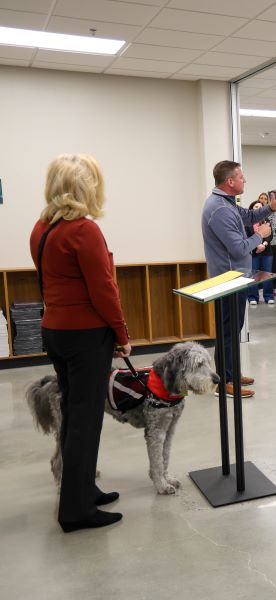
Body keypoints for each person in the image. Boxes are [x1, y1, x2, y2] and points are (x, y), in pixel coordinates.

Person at [30, 154, 131, 532]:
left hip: (55, 330)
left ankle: (83, 489)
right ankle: (76, 510)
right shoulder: (83, 230)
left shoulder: (41, 228)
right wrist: (121, 334)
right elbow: (103, 290)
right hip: (85, 334)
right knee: (85, 421)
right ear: (87, 186)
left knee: (74, 416)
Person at [201, 161, 276, 398]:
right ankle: (224, 382)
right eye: (241, 177)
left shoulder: (227, 204)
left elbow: (250, 214)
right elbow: (239, 248)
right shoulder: (219, 209)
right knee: (228, 331)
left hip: (237, 278)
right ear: (230, 182)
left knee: (233, 328)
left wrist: (271, 207)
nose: (245, 180)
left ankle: (230, 373)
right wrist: (259, 236)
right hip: (227, 280)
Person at [247, 199, 275, 305]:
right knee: (254, 275)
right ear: (252, 209)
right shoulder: (247, 223)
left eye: (260, 207)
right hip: (253, 252)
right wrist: (256, 245)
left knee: (267, 274)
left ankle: (268, 296)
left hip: (266, 251)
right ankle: (253, 297)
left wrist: (264, 244)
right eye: (256, 207)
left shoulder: (266, 220)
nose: (258, 209)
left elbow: (270, 235)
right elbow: (247, 236)